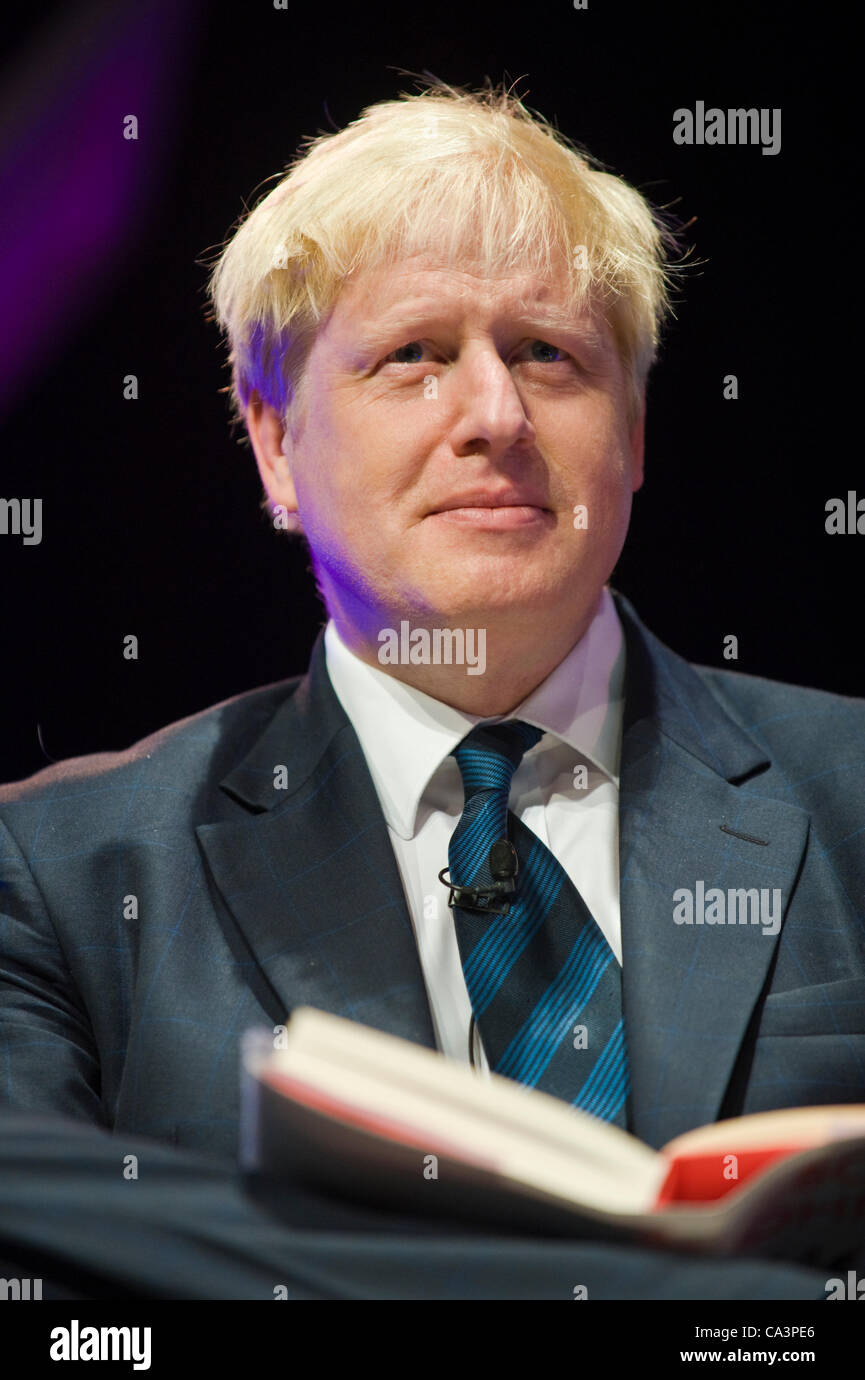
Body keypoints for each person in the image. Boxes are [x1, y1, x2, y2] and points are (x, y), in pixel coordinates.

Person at [0, 80, 862, 1300]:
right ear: (271, 439)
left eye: (548, 355)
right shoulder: (57, 874)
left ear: (636, 430)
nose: (495, 416)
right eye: (414, 356)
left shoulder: (853, 794)